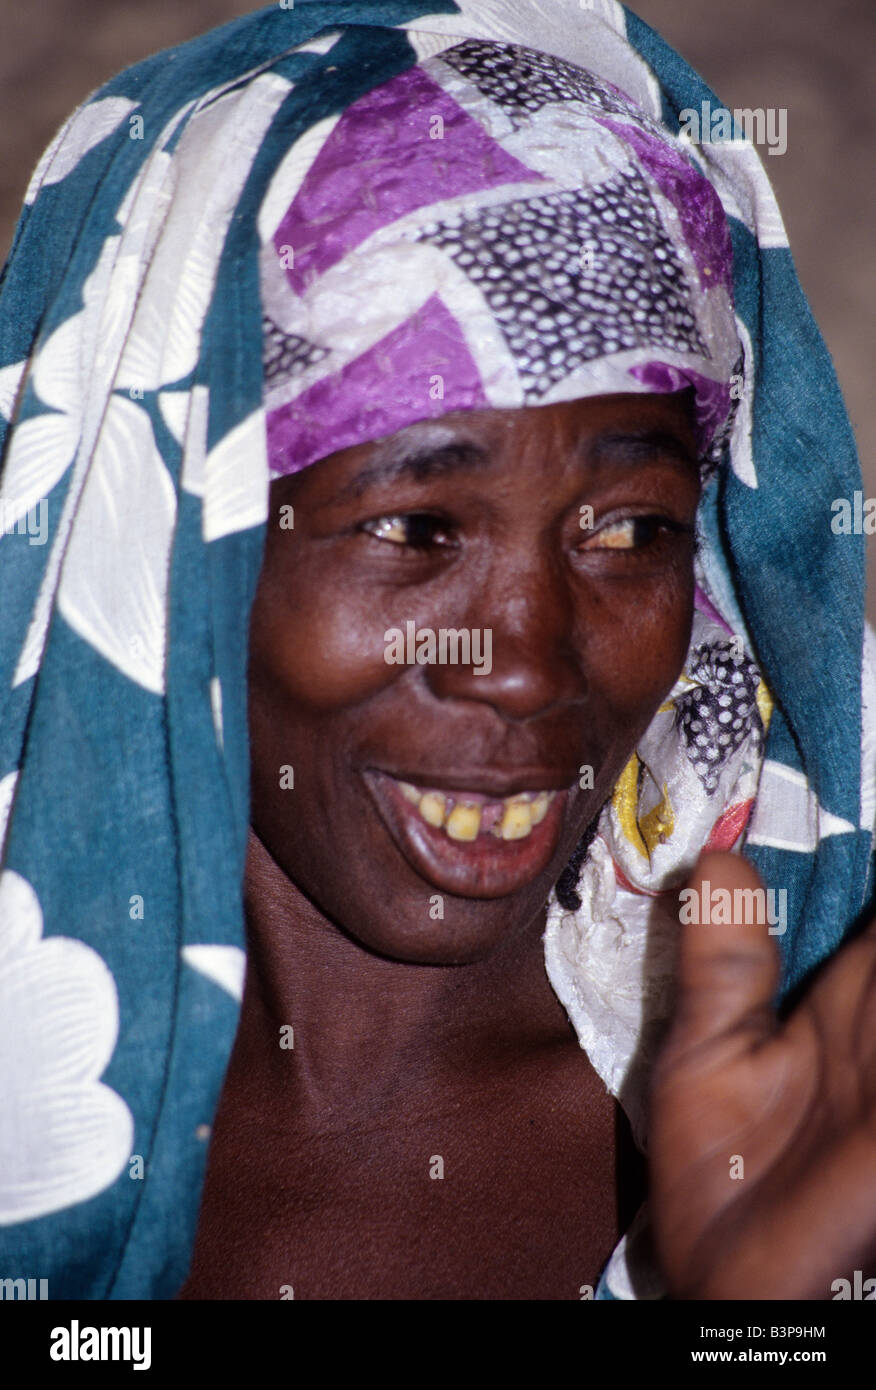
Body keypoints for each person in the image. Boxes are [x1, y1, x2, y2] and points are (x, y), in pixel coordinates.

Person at [0, 0, 874, 1301]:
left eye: (630, 527)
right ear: (175, 533)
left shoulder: (812, 1115)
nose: (524, 665)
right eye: (414, 524)